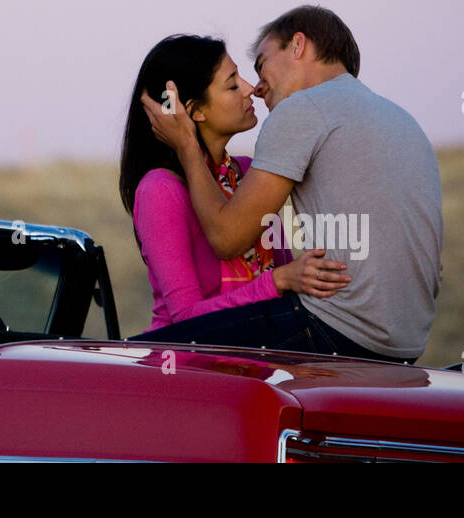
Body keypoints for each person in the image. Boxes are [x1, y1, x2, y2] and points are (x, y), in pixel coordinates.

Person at [138, 6, 443, 363]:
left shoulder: (301, 110)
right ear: (196, 108)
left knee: (159, 346)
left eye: (262, 64)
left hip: (337, 327)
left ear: (298, 45)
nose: (257, 86)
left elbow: (226, 238)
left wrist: (186, 144)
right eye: (235, 82)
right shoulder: (401, 120)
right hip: (406, 344)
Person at [119, 34, 351, 333]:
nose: (250, 89)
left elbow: (286, 268)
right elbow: (186, 319)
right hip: (189, 371)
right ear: (195, 111)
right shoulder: (160, 191)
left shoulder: (247, 172)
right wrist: (279, 280)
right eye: (232, 84)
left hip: (258, 364)